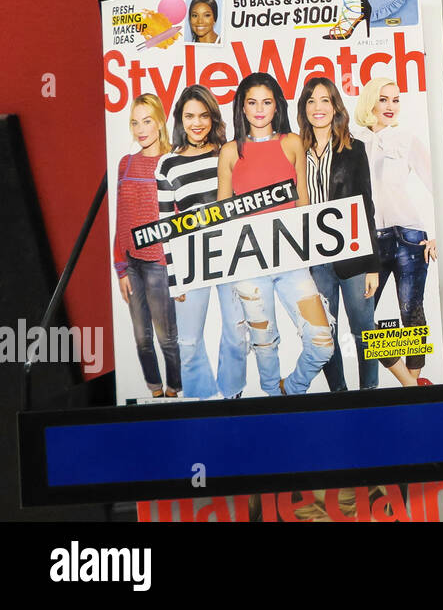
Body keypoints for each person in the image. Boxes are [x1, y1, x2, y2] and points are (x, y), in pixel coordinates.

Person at [217, 72, 333, 395]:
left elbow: (303, 203)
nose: (259, 109)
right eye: (252, 102)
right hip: (249, 264)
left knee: (322, 344)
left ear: (276, 106)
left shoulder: (292, 143)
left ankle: (290, 391)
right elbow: (223, 214)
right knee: (264, 345)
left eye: (266, 102)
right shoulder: (230, 152)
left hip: (291, 259)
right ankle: (273, 399)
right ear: (242, 107)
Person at [296, 77, 401, 389]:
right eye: (311, 101)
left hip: (353, 257)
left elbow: (366, 207)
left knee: (364, 331)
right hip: (315, 260)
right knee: (324, 335)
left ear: (335, 107)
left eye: (325, 100)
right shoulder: (296, 151)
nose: (318, 107)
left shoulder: (354, 150)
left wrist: (373, 266)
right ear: (304, 108)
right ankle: (339, 395)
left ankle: (369, 393)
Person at [156, 84, 244, 399]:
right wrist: (174, 277)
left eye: (204, 116)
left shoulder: (227, 152)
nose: (197, 123)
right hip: (190, 259)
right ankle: (201, 401)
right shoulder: (167, 164)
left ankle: (232, 397)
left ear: (213, 118)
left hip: (232, 252)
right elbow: (165, 225)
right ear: (180, 119)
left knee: (238, 334)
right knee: (189, 342)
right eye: (190, 116)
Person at [355, 76, 437, 383]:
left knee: (411, 312)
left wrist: (438, 234)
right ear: (370, 102)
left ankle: (412, 386)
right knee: (361, 315)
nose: (391, 106)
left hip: (409, 236)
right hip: (370, 241)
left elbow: (438, 184)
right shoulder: (353, 140)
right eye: (383, 99)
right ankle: (411, 385)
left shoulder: (407, 139)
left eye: (396, 99)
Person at [113, 93, 182, 397]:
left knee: (167, 338)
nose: (140, 129)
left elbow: (182, 222)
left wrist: (178, 274)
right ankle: (154, 390)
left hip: (159, 265)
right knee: (142, 339)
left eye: (147, 121)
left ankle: (175, 389)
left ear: (160, 123)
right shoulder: (125, 164)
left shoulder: (173, 163)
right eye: (134, 123)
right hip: (131, 264)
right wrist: (120, 268)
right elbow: (121, 218)